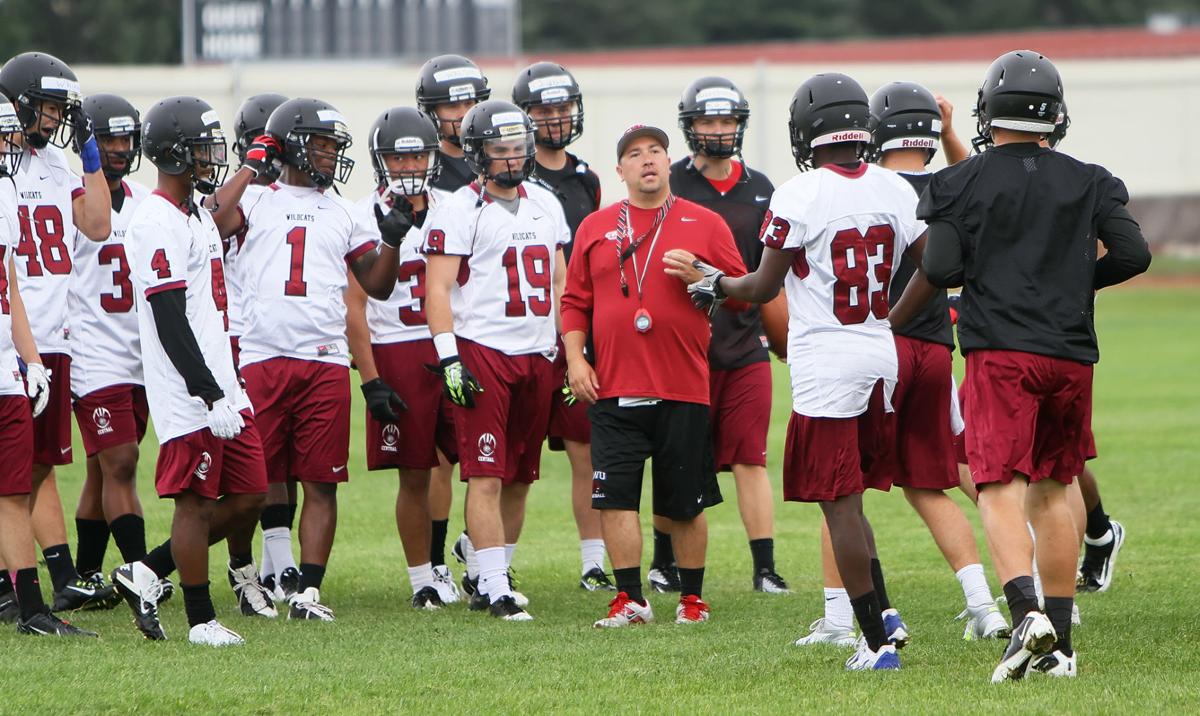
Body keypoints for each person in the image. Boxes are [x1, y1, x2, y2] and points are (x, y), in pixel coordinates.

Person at [891, 50, 1150, 681]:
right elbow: (1135, 253)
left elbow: (944, 268)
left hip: (1002, 353)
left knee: (998, 485)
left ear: (989, 111)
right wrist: (1074, 281)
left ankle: (1025, 609)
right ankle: (1059, 644)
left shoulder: (960, 180)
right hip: (1069, 355)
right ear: (1054, 115)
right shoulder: (1091, 178)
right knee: (1055, 489)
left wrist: (894, 320)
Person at [665, 73, 928, 670]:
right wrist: (892, 316)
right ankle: (883, 614)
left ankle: (875, 642)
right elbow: (937, 265)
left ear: (807, 130)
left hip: (828, 361)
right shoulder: (894, 186)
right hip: (879, 353)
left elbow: (761, 285)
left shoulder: (800, 193)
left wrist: (713, 283)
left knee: (838, 504)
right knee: (852, 499)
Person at [791, 81, 1009, 648]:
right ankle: (985, 601)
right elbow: (978, 191)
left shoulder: (856, 187)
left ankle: (847, 619)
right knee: (935, 484)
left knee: (841, 493)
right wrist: (953, 132)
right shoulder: (943, 185)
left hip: (869, 349)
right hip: (933, 348)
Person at [210, 97, 403, 621]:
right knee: (257, 479)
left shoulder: (343, 209)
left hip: (324, 360)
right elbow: (216, 219)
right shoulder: (258, 199)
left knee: (322, 480)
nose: (330, 155)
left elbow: (378, 285)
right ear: (294, 143)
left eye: (334, 146)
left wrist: (393, 240)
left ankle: (308, 590)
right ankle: (259, 571)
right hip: (263, 354)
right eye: (322, 144)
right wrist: (252, 162)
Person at [563, 123, 746, 628]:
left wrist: (707, 277)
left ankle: (692, 599)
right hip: (613, 386)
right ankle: (630, 598)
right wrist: (577, 361)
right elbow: (574, 302)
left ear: (670, 163)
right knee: (615, 497)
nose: (647, 160)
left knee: (684, 502)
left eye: (656, 152)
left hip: (682, 384)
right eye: (635, 154)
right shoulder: (595, 227)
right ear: (619, 170)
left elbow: (745, 289)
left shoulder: (704, 222)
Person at [113, 96, 269, 646]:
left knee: (251, 495)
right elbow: (168, 316)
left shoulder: (196, 211)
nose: (210, 156)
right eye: (201, 147)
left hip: (223, 378)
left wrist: (252, 164)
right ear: (174, 153)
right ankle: (201, 619)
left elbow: (225, 210)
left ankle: (148, 570)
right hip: (188, 387)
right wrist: (206, 392)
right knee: (196, 502)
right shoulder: (154, 220)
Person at [422, 100, 570, 621]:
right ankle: (494, 585)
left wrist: (571, 350)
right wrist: (449, 358)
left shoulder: (547, 204)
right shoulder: (458, 209)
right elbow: (436, 289)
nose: (511, 159)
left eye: (517, 149)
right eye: (500, 151)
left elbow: (560, 284)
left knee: (520, 476)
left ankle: (494, 572)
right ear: (478, 155)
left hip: (538, 353)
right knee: (485, 473)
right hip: (484, 352)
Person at [0, 51, 116, 611]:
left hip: (52, 336)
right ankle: (19, 585)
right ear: (20, 103)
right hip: (12, 340)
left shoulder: (55, 168)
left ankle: (49, 578)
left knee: (39, 465)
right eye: (48, 106)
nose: (55, 118)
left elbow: (98, 223)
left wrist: (89, 156)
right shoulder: (4, 165)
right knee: (12, 472)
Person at [668, 75, 788, 594]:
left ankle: (765, 568)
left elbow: (776, 270)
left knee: (749, 458)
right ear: (690, 126)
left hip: (743, 342)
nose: (718, 130)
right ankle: (663, 562)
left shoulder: (762, 187)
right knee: (677, 459)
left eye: (726, 120)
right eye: (707, 121)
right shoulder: (670, 183)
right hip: (682, 345)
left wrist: (782, 335)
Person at [345, 105, 461, 609]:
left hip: (452, 343)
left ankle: (457, 563)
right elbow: (355, 305)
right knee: (415, 471)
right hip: (397, 348)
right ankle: (423, 581)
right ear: (381, 162)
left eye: (420, 156)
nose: (411, 167)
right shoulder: (357, 215)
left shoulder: (456, 206)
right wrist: (370, 376)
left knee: (472, 464)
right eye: (399, 157)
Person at [512, 60, 611, 591]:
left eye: (561, 107)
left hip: (575, 325)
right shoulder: (511, 175)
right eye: (544, 109)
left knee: (585, 450)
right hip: (519, 329)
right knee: (515, 455)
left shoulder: (585, 178)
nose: (555, 118)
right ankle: (489, 555)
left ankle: (593, 559)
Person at [213, 92, 299, 600]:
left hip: (264, 339)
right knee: (244, 468)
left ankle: (275, 567)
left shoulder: (291, 201)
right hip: (227, 340)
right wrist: (249, 170)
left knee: (278, 463)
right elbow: (218, 214)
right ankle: (243, 568)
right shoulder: (237, 193)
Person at [67, 93, 153, 584]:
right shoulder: (76, 198)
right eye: (109, 138)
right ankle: (141, 574)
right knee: (121, 461)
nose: (120, 147)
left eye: (125, 138)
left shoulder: (146, 202)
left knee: (104, 470)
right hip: (93, 353)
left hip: (139, 354)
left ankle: (85, 573)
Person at [415, 53, 490, 577]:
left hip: (489, 322)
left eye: (469, 100)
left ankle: (476, 547)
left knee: (492, 454)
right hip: (439, 321)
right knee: (440, 452)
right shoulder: (421, 164)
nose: (462, 112)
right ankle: (437, 561)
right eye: (451, 103)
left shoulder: (500, 158)